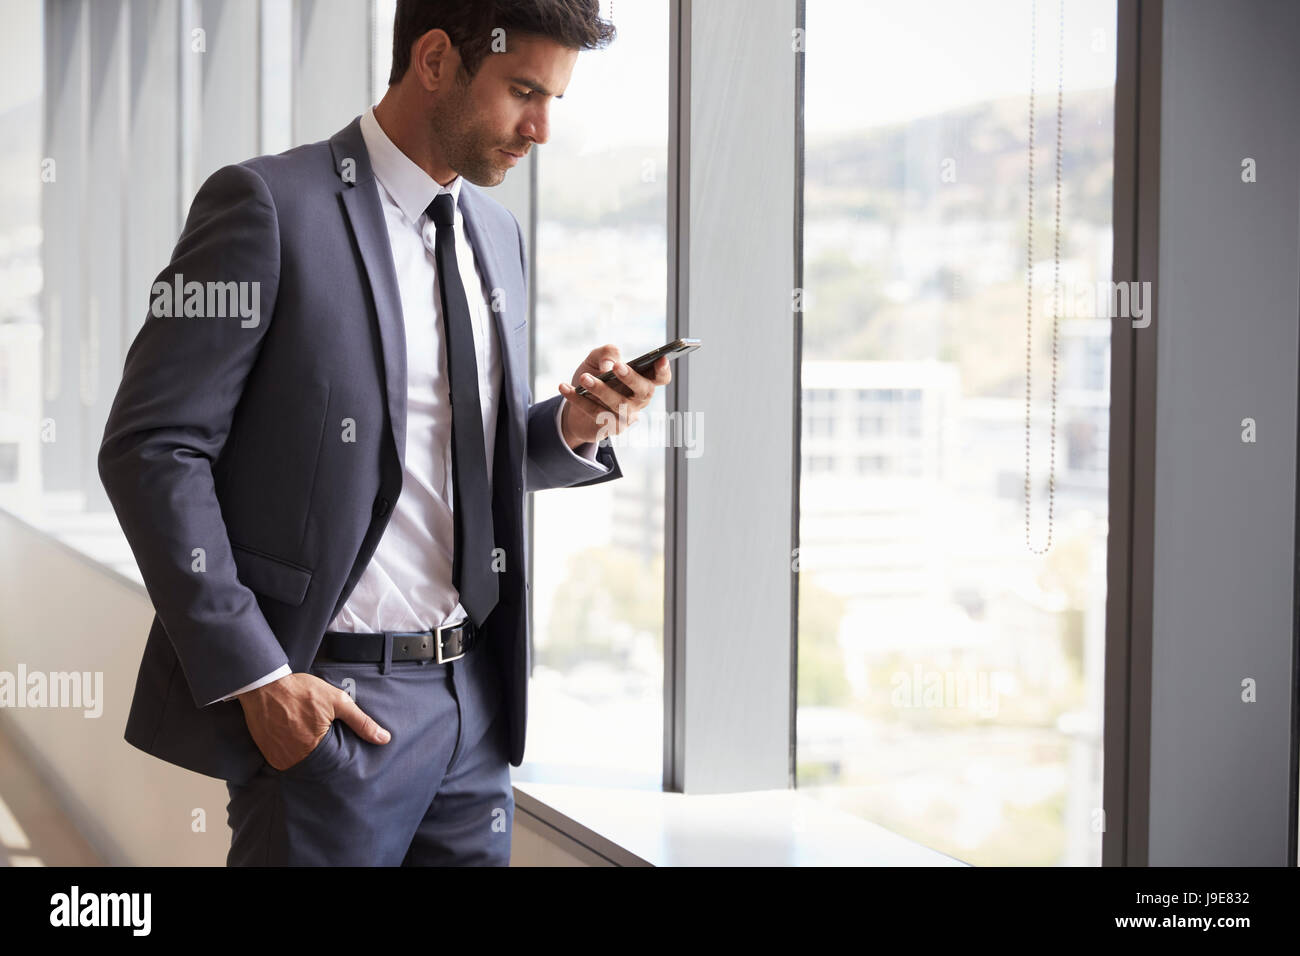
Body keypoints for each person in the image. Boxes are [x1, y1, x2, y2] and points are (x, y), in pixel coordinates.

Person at [97, 0, 669, 866]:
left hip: (472, 707)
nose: (542, 129)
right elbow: (153, 448)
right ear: (435, 59)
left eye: (553, 100)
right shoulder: (267, 207)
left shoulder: (495, 234)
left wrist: (575, 426)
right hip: (330, 706)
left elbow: (453, 455)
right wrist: (261, 678)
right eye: (523, 91)